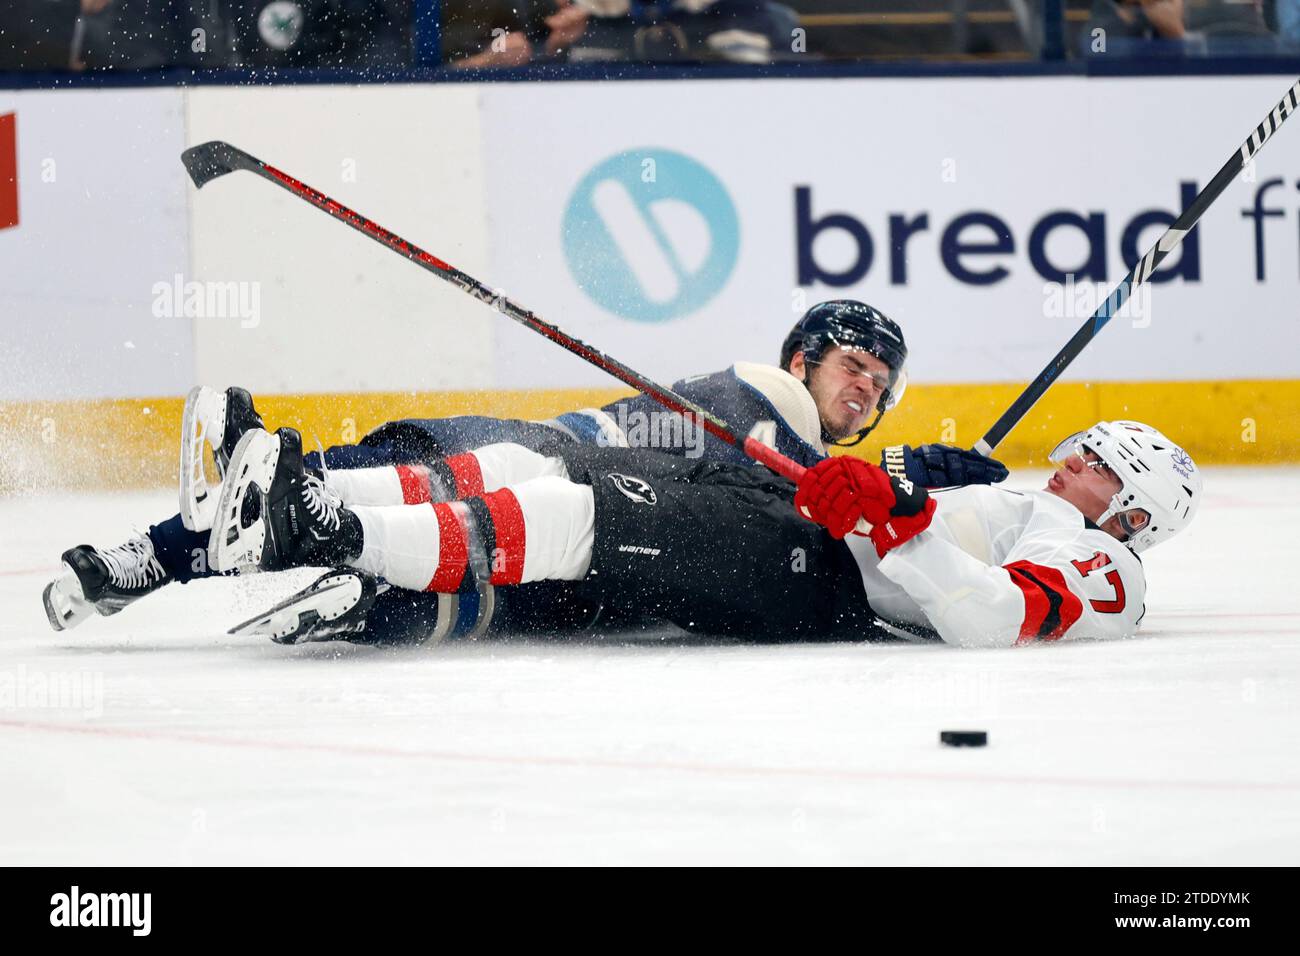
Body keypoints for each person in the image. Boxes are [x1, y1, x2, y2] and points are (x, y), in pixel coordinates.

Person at [42, 300, 1007, 638]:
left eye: (878, 387)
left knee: (339, 496)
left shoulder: (794, 446)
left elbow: (787, 518)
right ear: (805, 361)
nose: (861, 391)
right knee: (348, 486)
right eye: (852, 369)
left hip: (577, 514)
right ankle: (158, 556)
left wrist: (904, 474)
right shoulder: (764, 396)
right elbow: (795, 495)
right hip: (547, 463)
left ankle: (143, 564)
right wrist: (900, 467)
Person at [170, 417, 1198, 649]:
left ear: (1136, 511)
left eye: (1101, 460)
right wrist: (889, 480)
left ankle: (320, 530)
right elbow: (911, 519)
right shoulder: (1032, 505)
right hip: (789, 527)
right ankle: (302, 499)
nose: (1073, 455)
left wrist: (899, 518)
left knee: (573, 520)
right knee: (541, 467)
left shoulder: (1104, 564)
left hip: (809, 583)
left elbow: (989, 620)